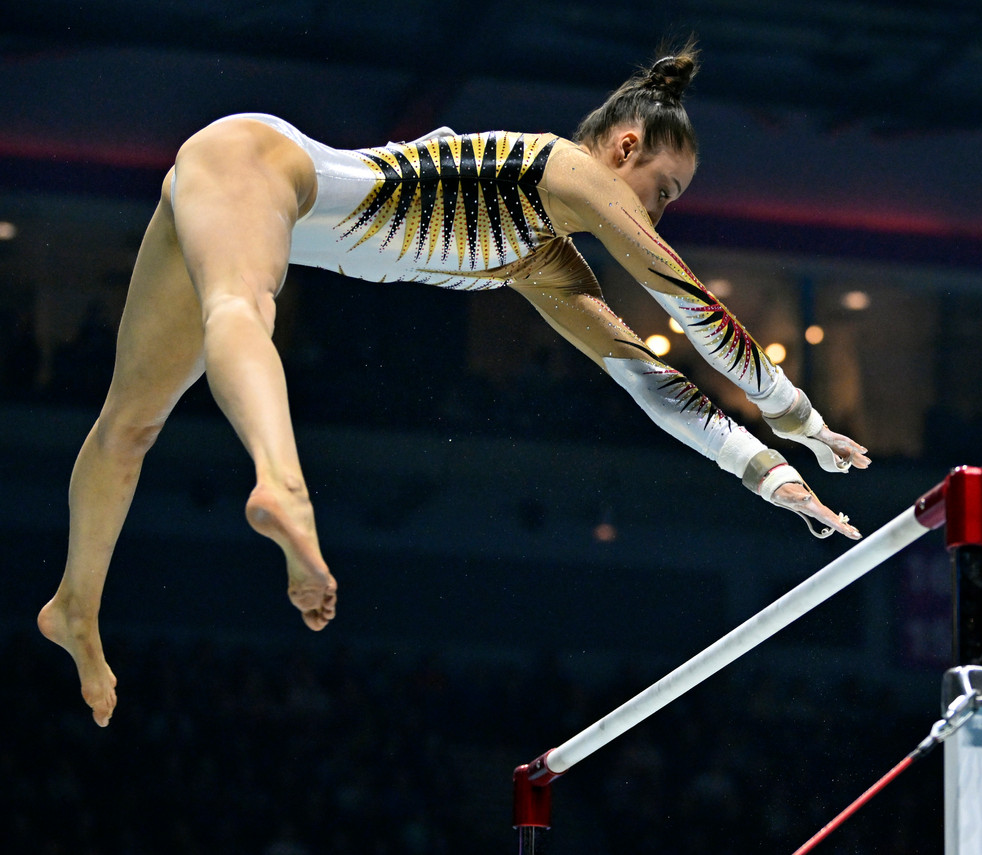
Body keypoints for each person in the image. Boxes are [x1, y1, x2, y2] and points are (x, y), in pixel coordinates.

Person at [38, 39, 871, 727]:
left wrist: (771, 475)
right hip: (256, 163)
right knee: (241, 305)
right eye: (663, 189)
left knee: (132, 423)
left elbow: (649, 380)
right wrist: (796, 414)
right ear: (624, 148)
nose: (658, 211)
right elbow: (683, 299)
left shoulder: (540, 258)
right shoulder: (564, 167)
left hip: (234, 196)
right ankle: (283, 485)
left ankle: (75, 603)